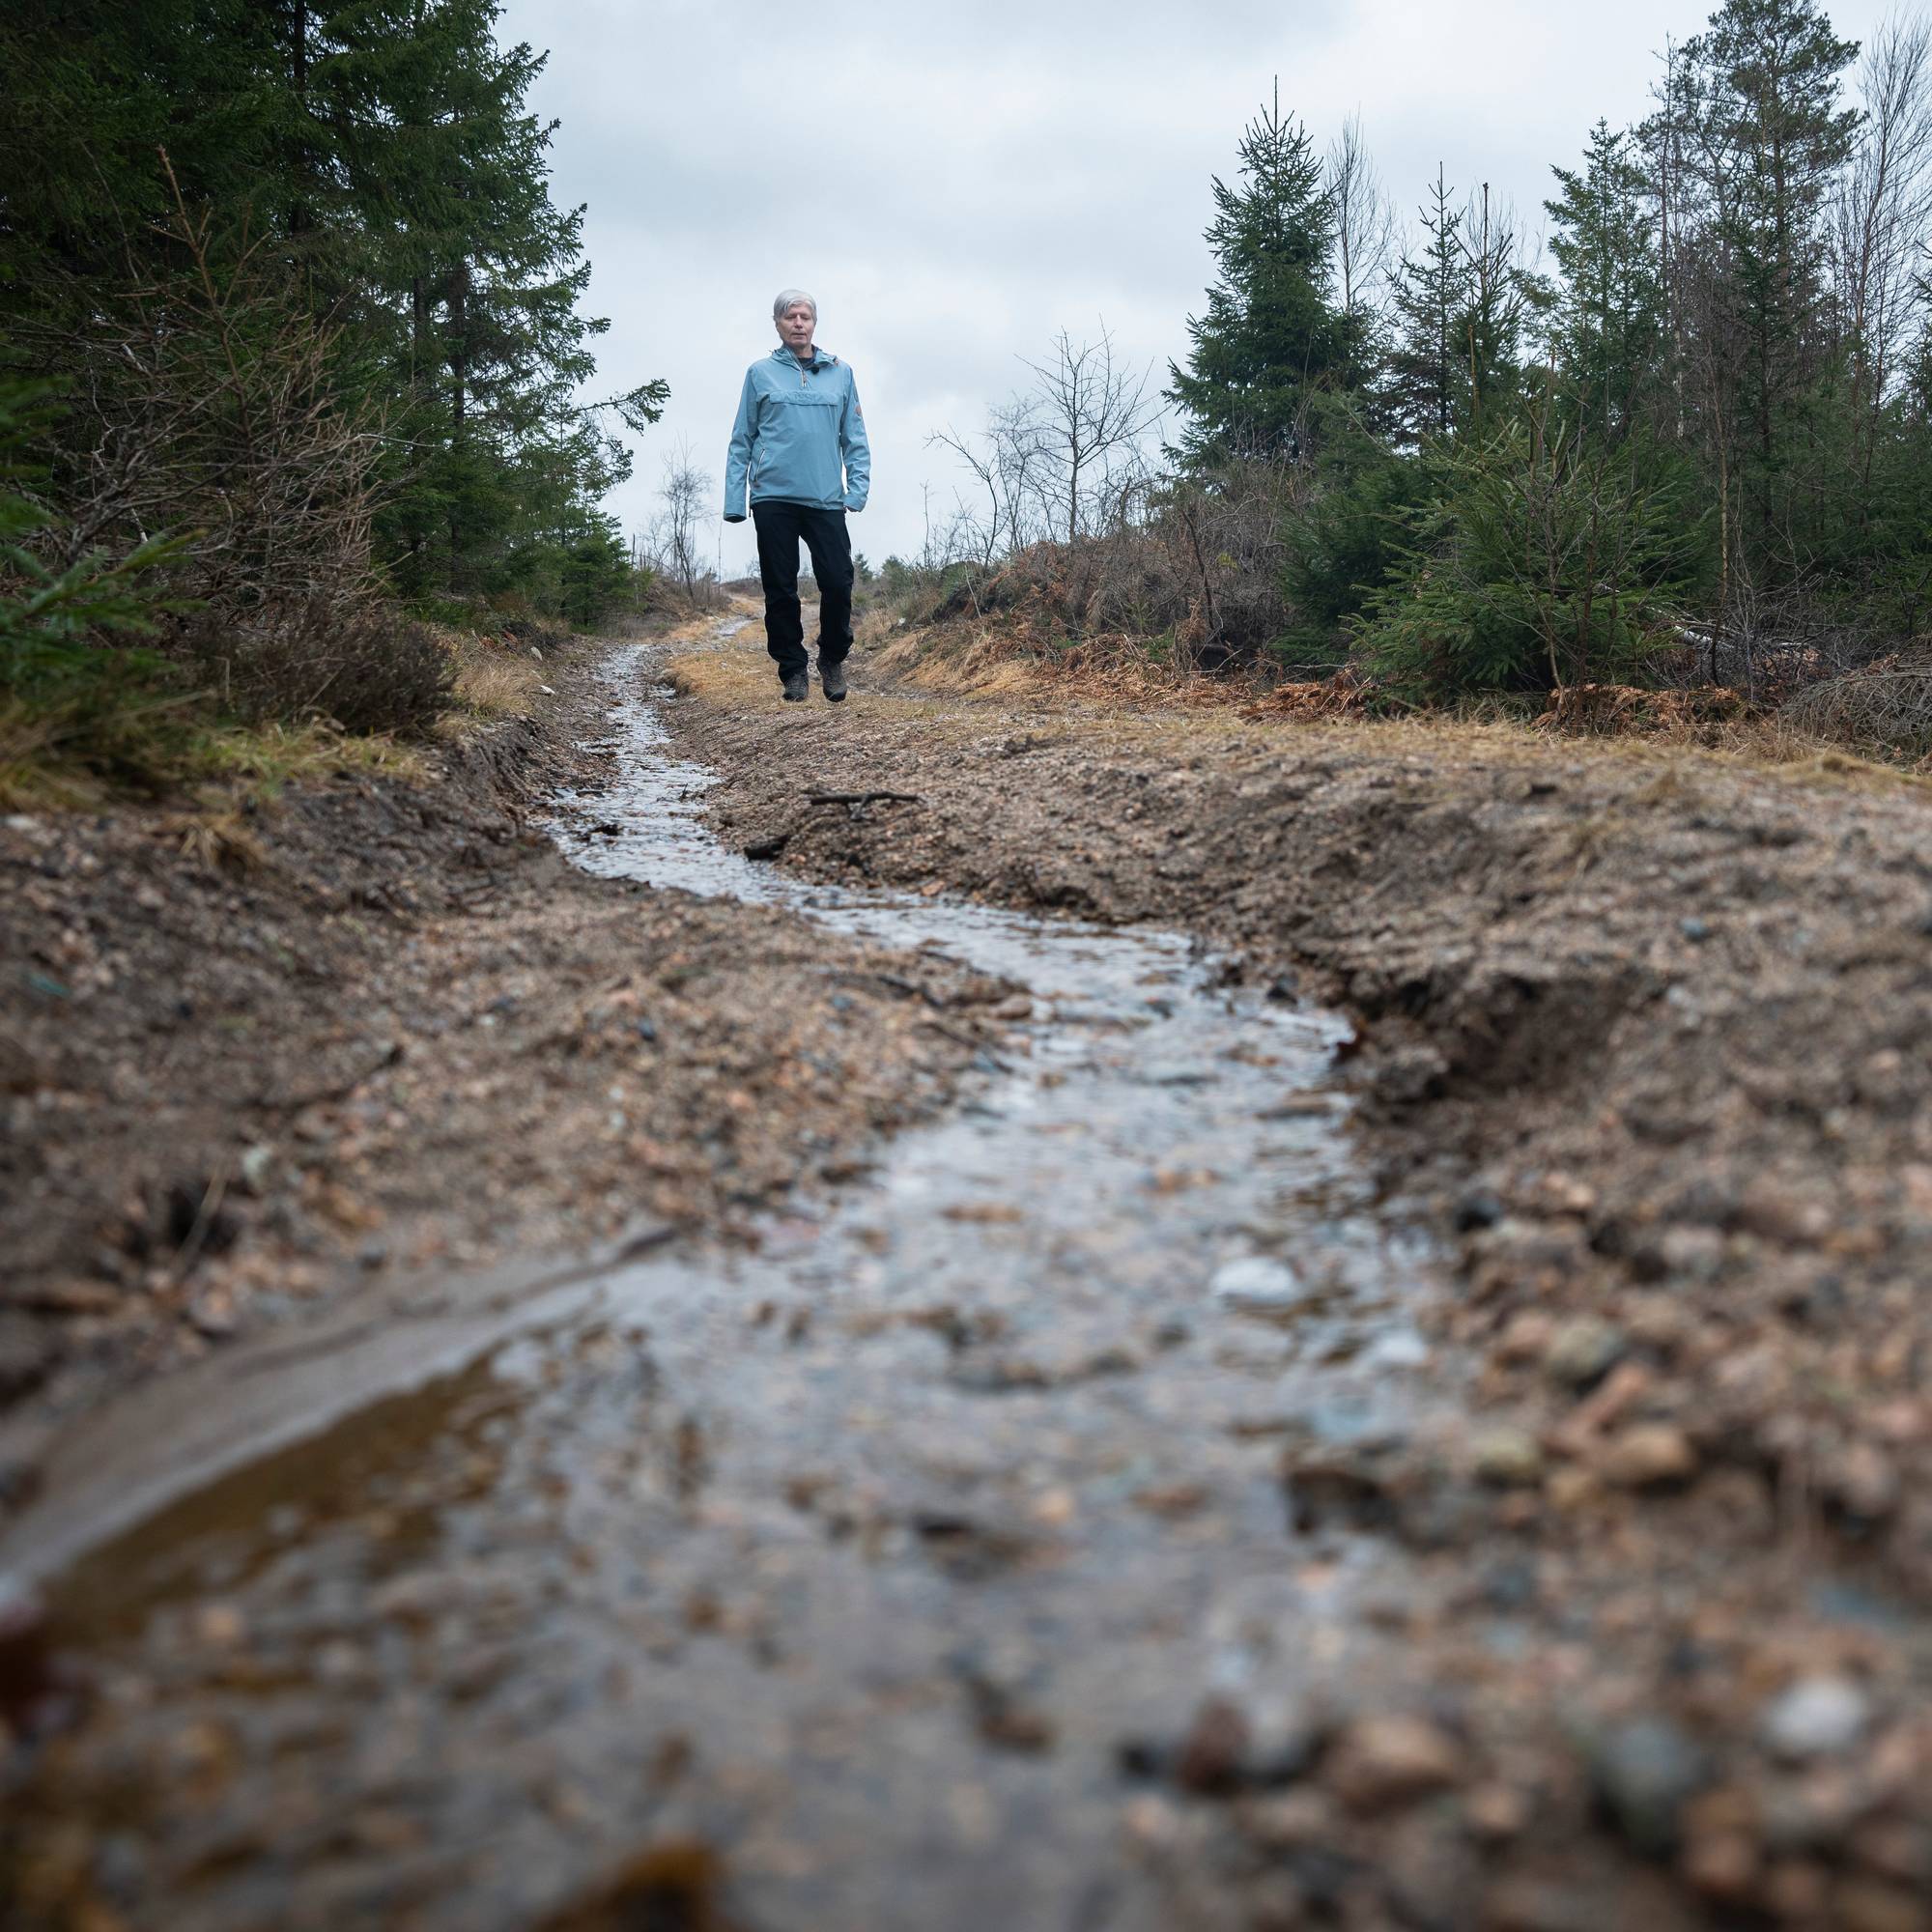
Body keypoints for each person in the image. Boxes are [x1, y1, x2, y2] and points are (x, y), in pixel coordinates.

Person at [724, 290, 870, 703]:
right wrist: (736, 501)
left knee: (838, 582)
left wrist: (856, 490)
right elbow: (742, 439)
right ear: (777, 324)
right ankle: (792, 669)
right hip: (773, 497)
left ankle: (832, 658)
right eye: (791, 317)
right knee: (780, 588)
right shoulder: (760, 373)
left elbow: (854, 438)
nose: (799, 323)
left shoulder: (841, 373)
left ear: (814, 323)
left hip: (825, 498)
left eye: (806, 316)